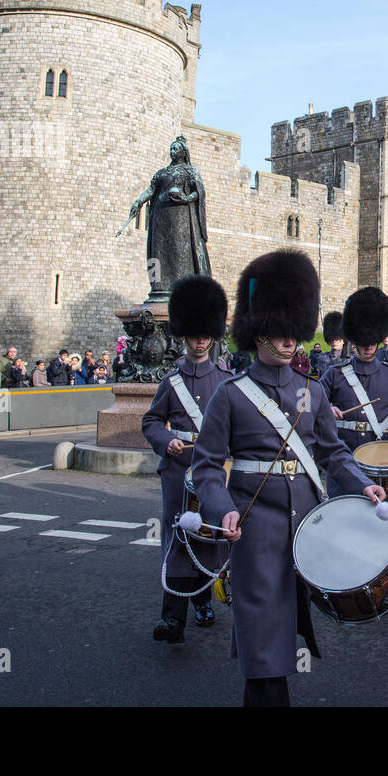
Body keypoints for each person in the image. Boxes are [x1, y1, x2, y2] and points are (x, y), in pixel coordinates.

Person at [190, 250, 387, 707]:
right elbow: (206, 467)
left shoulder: (312, 390)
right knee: (262, 627)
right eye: (279, 331)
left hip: (306, 523)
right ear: (258, 331)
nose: (288, 341)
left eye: (292, 331)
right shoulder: (230, 395)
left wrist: (362, 484)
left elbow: (333, 452)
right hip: (255, 525)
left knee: (282, 623)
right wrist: (223, 510)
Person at [142, 276, 230, 644]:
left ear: (211, 335)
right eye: (194, 334)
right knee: (178, 537)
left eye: (204, 333)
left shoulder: (226, 379)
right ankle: (172, 617)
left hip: (211, 471)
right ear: (185, 336)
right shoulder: (172, 380)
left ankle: (204, 599)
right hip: (178, 471)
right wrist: (166, 442)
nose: (199, 340)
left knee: (206, 537)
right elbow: (150, 421)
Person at [319, 287, 388, 453]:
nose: (369, 347)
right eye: (364, 343)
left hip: (380, 452)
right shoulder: (334, 374)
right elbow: (314, 401)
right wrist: (326, 408)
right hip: (344, 453)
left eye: (372, 342)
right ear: (354, 340)